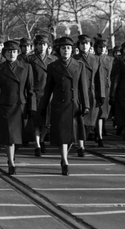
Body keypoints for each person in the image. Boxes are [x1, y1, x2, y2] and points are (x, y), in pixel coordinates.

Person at [37, 37, 88, 176]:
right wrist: (43, 106)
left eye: (68, 48)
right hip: (59, 105)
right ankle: (64, 160)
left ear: (72, 50)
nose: (66, 50)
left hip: (74, 105)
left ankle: (65, 155)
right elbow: (48, 89)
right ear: (59, 50)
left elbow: (83, 87)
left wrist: (86, 105)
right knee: (62, 135)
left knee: (72, 136)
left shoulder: (80, 65)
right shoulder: (53, 66)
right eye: (63, 48)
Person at [0, 40, 34, 175]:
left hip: (21, 106)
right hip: (5, 106)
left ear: (18, 53)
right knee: (10, 137)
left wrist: (32, 108)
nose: (11, 54)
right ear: (4, 53)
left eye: (14, 51)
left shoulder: (26, 67)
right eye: (8, 51)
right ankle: (11, 162)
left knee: (19, 139)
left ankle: (12, 155)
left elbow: (31, 90)